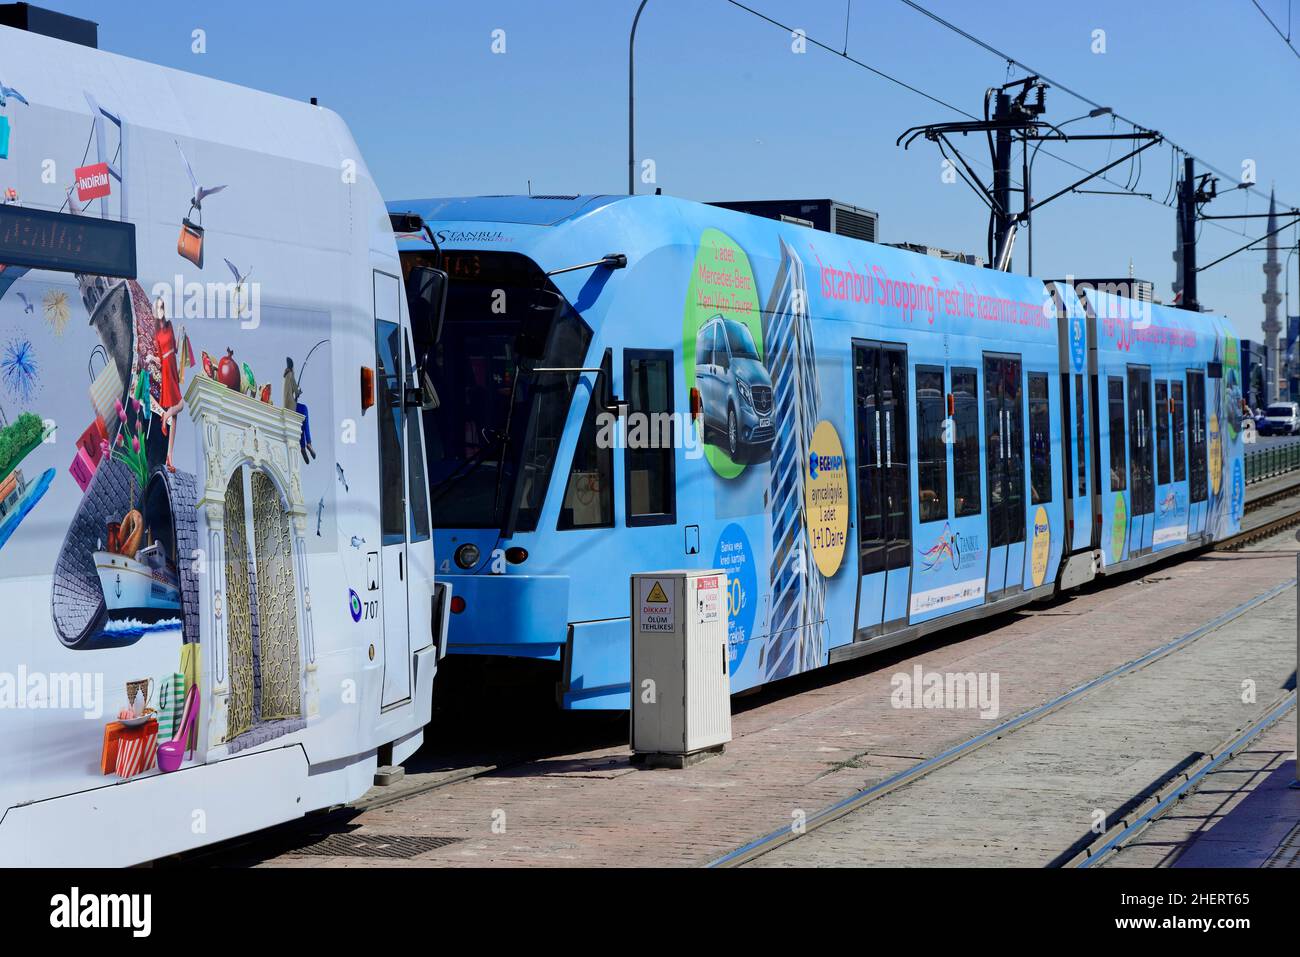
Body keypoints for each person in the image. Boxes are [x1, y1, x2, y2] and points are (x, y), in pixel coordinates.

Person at [153, 296, 183, 472]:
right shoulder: (157, 333)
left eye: (162, 307)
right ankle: (165, 416)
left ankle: (169, 457)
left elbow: (176, 349)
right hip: (166, 368)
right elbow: (160, 357)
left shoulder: (170, 325)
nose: (160, 310)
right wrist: (152, 358)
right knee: (180, 406)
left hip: (173, 367)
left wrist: (180, 332)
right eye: (157, 308)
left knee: (176, 418)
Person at [284, 356, 315, 464]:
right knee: (305, 410)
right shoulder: (291, 375)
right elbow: (296, 392)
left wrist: (296, 394)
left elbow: (290, 392)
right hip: (292, 406)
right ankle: (309, 443)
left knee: (300, 420)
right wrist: (298, 392)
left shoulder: (286, 376)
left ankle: (302, 447)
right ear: (292, 368)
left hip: (288, 405)